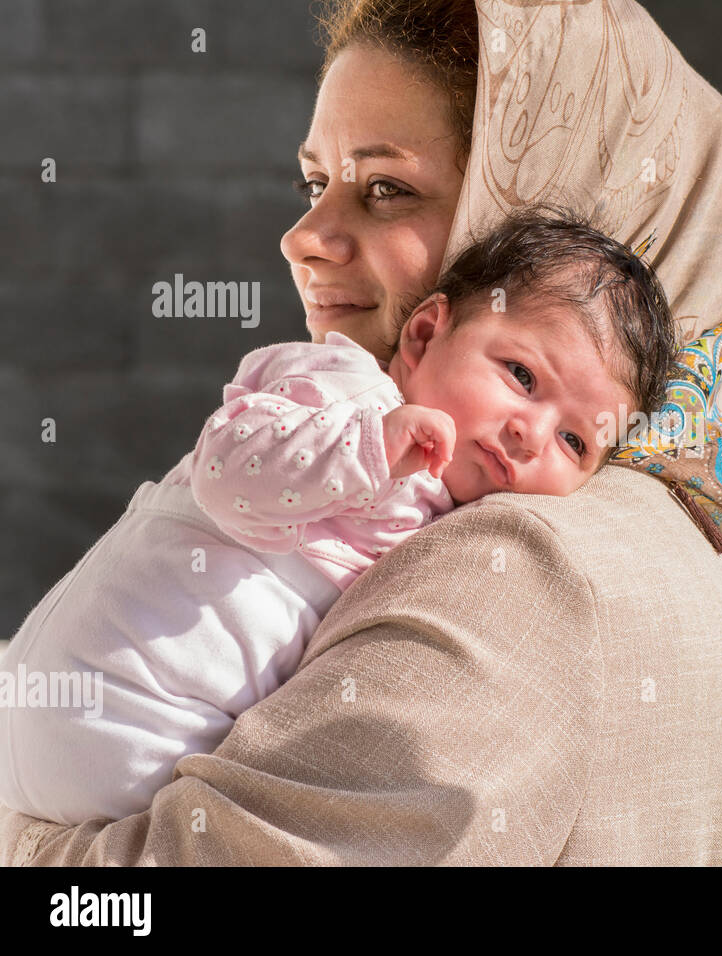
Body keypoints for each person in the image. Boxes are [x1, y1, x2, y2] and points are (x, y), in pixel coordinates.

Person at [2, 0, 722, 866]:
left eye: (387, 188)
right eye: (317, 182)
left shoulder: (512, 558)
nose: (303, 237)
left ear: (538, 205)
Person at [0, 207, 677, 826]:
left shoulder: (468, 540)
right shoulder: (345, 388)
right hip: (102, 701)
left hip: (144, 776)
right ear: (423, 334)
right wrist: (370, 448)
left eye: (575, 442)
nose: (530, 433)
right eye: (522, 377)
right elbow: (225, 471)